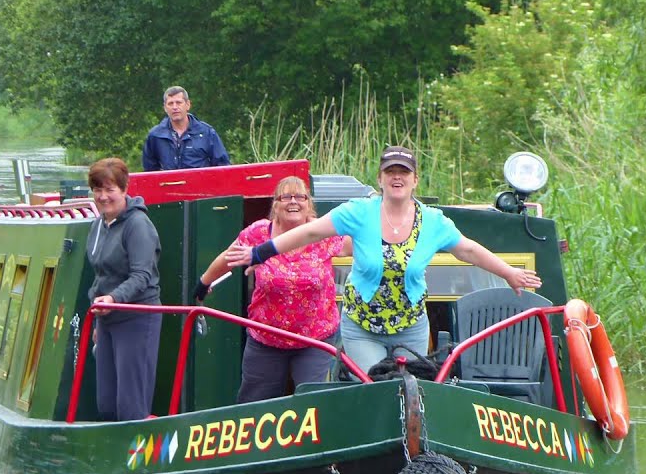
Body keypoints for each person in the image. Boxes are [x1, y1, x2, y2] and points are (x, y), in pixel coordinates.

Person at [226, 146, 543, 375]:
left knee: (411, 388)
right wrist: (259, 253)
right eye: (390, 172)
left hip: (410, 324)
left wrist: (509, 273)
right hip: (362, 324)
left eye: (403, 173)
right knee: (377, 383)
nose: (397, 178)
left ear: (414, 180)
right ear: (380, 178)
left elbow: (468, 250)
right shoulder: (358, 213)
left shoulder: (433, 222)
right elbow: (309, 233)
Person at [194, 177, 353, 403]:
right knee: (254, 405)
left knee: (314, 404)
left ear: (309, 204)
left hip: (315, 337)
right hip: (266, 337)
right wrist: (204, 283)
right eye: (286, 197)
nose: (293, 202)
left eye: (300, 197)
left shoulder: (323, 234)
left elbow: (361, 248)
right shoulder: (257, 233)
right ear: (275, 205)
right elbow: (229, 258)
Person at [86, 157, 164, 421]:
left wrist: (114, 298)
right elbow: (100, 273)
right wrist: (100, 316)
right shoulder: (98, 225)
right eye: (98, 190)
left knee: (131, 406)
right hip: (107, 318)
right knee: (106, 403)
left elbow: (142, 274)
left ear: (124, 189)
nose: (103, 197)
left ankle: (144, 457)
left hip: (137, 316)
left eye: (110, 190)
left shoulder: (138, 225)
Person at [141, 86, 232, 171]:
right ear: (165, 107)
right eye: (170, 103)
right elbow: (150, 171)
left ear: (188, 105)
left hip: (201, 186)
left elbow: (223, 167)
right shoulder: (155, 135)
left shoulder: (206, 133)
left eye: (179, 103)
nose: (175, 107)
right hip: (168, 186)